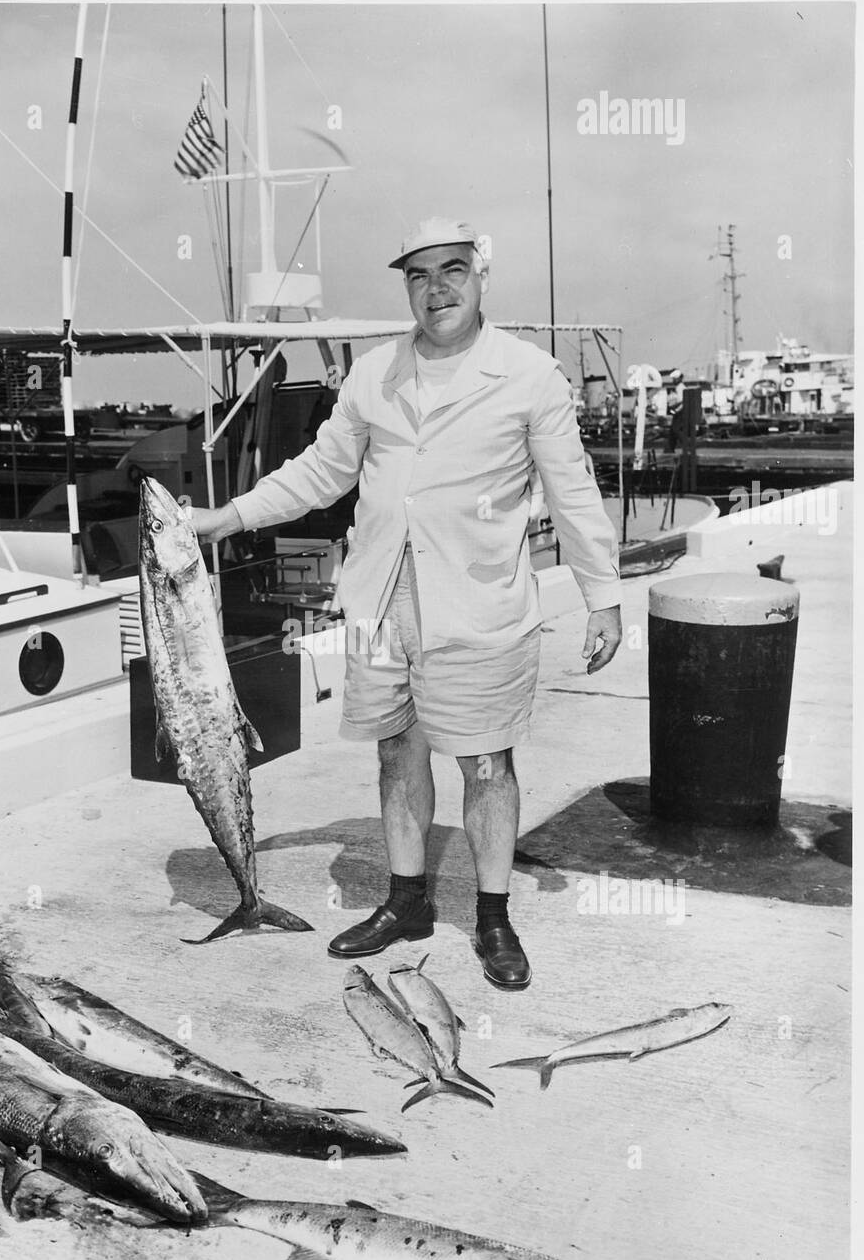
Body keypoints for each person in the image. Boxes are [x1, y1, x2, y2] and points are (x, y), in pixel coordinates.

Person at [191, 217, 622, 989]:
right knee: (397, 750)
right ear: (407, 288)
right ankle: (406, 901)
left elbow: (573, 491)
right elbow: (321, 472)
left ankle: (491, 916)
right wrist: (226, 519)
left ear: (480, 274)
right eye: (419, 276)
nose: (438, 288)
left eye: (453, 269)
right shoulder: (374, 374)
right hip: (382, 598)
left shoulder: (528, 373)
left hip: (479, 600)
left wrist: (602, 597)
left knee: (486, 763)